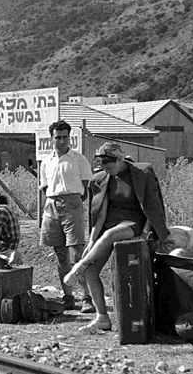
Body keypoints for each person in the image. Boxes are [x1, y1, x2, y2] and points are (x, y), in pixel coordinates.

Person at [63, 142, 169, 332]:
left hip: (132, 225)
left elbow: (152, 208)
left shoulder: (142, 173)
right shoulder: (101, 179)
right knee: (91, 272)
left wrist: (145, 234)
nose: (106, 169)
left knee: (109, 236)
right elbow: (100, 214)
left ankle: (79, 266)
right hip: (108, 228)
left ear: (120, 160)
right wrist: (92, 240)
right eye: (103, 166)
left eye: (109, 165)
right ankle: (102, 317)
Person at [39, 120, 95, 313]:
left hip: (72, 205)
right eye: (58, 137)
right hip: (51, 206)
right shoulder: (46, 161)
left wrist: (74, 203)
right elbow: (45, 187)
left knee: (76, 253)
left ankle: (86, 297)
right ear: (51, 138)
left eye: (65, 137)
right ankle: (68, 296)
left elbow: (87, 188)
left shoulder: (78, 159)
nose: (62, 141)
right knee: (60, 254)